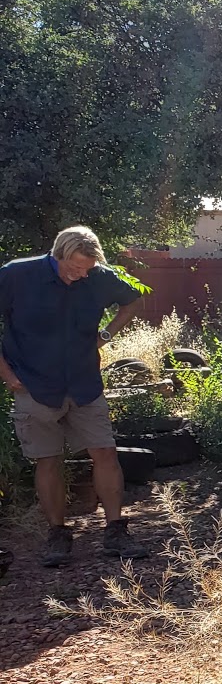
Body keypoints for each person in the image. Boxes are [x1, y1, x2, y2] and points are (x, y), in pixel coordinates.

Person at [0, 226, 149, 566]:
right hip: (33, 386)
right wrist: (8, 377)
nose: (79, 275)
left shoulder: (98, 276)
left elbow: (132, 301)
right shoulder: (17, 275)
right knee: (48, 460)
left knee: (106, 453)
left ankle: (115, 531)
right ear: (58, 255)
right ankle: (58, 535)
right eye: (74, 268)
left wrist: (106, 334)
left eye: (86, 269)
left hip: (84, 384)